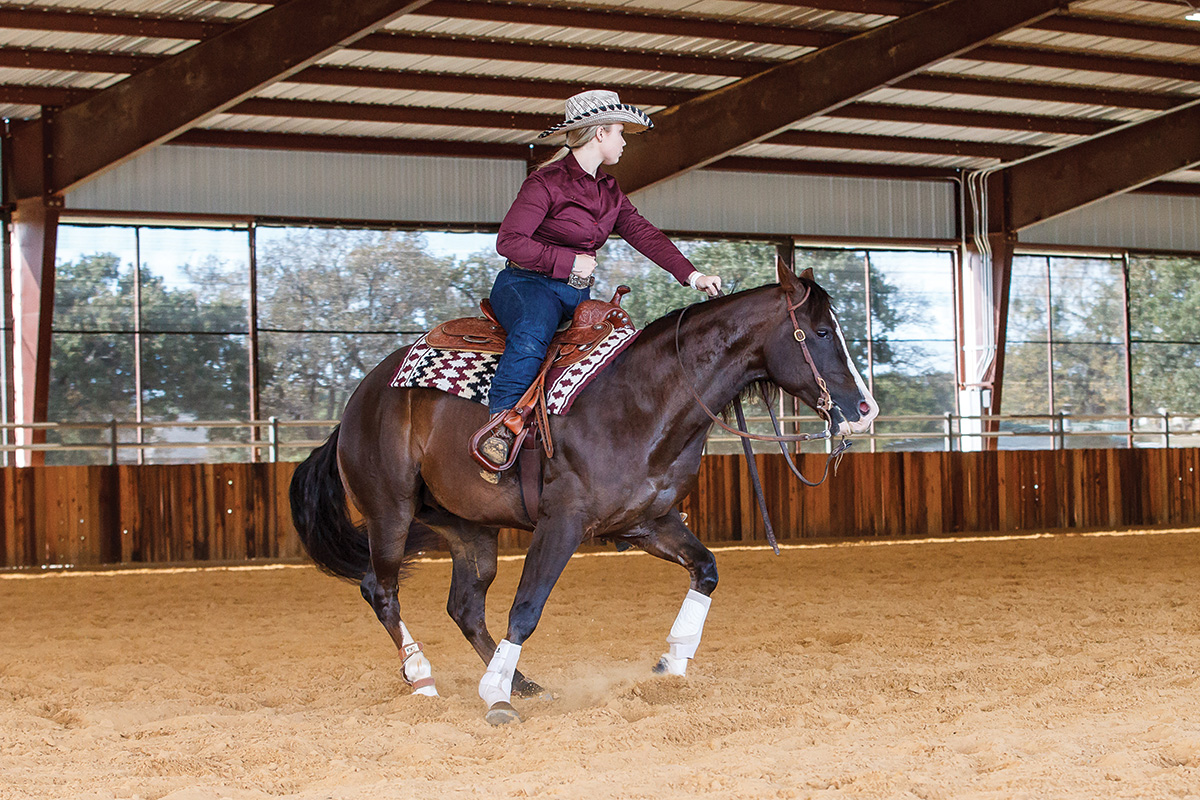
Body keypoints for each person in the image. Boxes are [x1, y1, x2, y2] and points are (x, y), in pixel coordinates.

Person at [477, 89, 723, 479]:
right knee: (533, 331)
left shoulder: (610, 191)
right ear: (599, 134)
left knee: (619, 351)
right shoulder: (545, 183)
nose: (624, 142)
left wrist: (692, 275)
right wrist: (568, 261)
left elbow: (645, 235)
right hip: (524, 285)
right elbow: (508, 242)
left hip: (575, 295)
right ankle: (499, 431)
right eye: (619, 133)